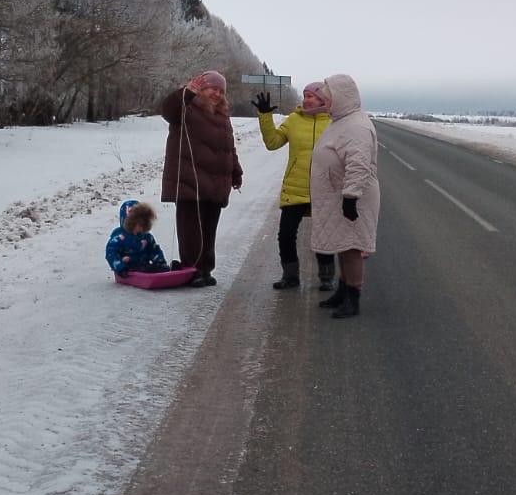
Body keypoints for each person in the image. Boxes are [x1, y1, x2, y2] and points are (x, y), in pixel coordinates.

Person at [160, 71, 243, 288]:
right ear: (201, 89)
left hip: (215, 183)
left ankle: (205, 269)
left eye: (220, 90)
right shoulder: (186, 108)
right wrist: (186, 93)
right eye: (212, 88)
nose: (216, 93)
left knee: (209, 229)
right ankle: (192, 269)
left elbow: (228, 148)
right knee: (191, 230)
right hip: (190, 180)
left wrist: (235, 170)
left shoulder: (223, 115)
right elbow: (167, 110)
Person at [254, 82, 336, 291]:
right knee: (286, 234)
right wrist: (265, 117)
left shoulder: (335, 123)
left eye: (312, 96)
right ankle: (290, 276)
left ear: (324, 99)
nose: (306, 99)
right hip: (295, 187)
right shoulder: (294, 119)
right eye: (305, 95)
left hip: (325, 188)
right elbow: (272, 142)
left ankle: (327, 277)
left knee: (324, 235)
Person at [310, 74, 380, 319]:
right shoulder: (341, 121)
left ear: (341, 97)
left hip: (351, 196)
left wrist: (350, 197)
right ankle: (342, 291)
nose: (325, 103)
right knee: (342, 244)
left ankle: (353, 298)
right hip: (337, 194)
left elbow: (358, 164)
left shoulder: (356, 126)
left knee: (351, 246)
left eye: (328, 99)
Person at [105, 199, 170, 276]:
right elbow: (111, 253)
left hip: (144, 266)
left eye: (142, 225)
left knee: (154, 268)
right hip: (128, 268)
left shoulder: (146, 237)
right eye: (136, 225)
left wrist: (160, 261)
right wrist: (120, 266)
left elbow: (154, 250)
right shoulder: (119, 238)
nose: (140, 228)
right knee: (144, 269)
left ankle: (167, 268)